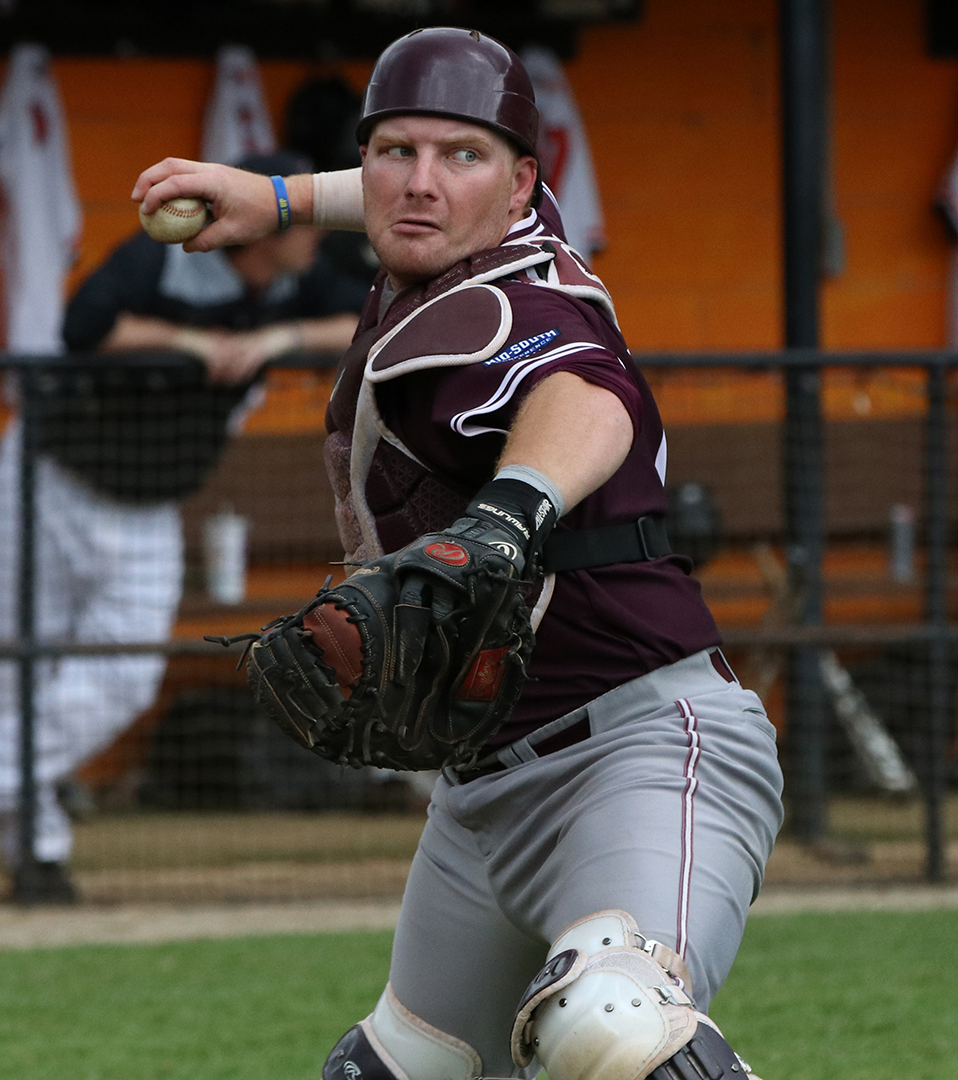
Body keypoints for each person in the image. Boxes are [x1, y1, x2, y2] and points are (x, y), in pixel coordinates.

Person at [135, 29, 783, 1080]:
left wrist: (508, 512)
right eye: (395, 151)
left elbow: (586, 394)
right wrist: (284, 201)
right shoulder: (492, 232)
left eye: (461, 158)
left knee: (610, 1030)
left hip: (638, 750)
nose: (420, 183)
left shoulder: (504, 307)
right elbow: (427, 177)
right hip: (482, 796)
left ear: (522, 181)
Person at [0, 151, 366, 906]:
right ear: (253, 231)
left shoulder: (296, 282)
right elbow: (86, 326)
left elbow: (370, 318)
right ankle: (36, 858)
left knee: (128, 672)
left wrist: (275, 342)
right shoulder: (165, 258)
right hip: (51, 477)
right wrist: (195, 345)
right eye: (291, 221)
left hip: (150, 503)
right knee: (17, 674)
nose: (309, 235)